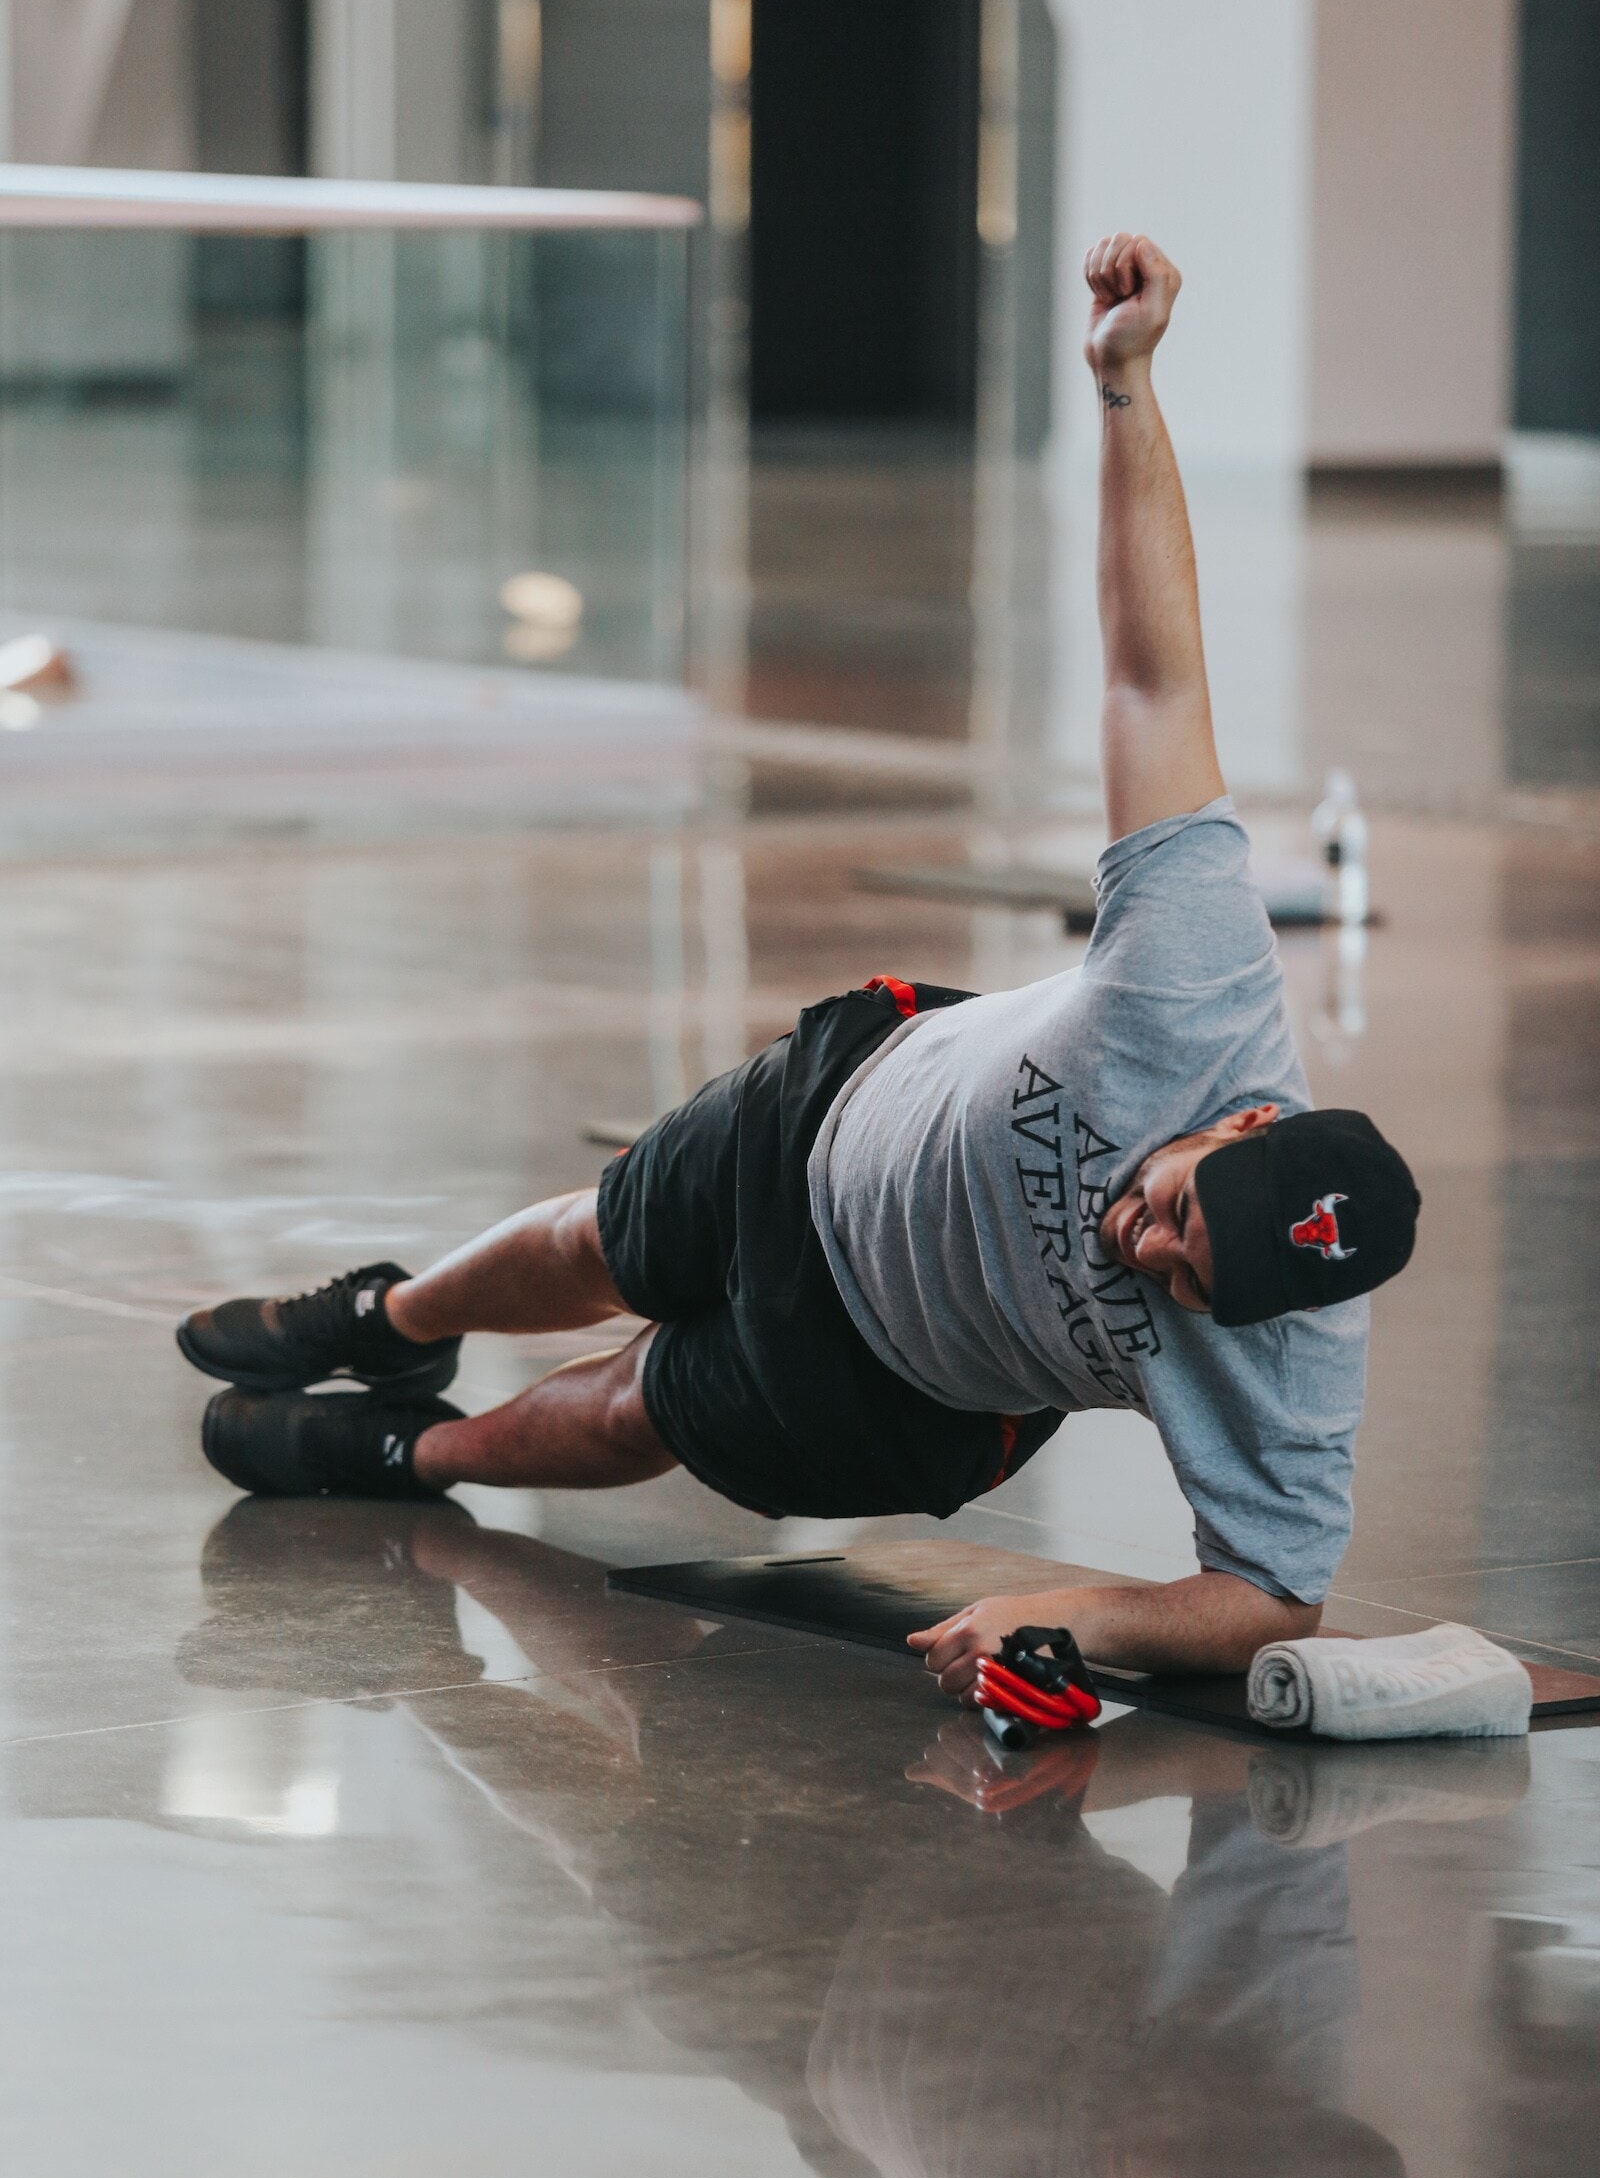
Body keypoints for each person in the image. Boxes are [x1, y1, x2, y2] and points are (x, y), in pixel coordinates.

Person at [179, 231, 1420, 1684]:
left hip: (894, 1381)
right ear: (1243, 1118)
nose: (1145, 1246)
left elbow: (1276, 1595)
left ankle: (412, 1449)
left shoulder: (1294, 1364)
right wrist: (1126, 385)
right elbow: (1156, 675)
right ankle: (392, 1317)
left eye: (1187, 1280)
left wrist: (1088, 1617)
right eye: (1174, 1205)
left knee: (642, 1406)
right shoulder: (1197, 991)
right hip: (830, 1129)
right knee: (604, 1235)